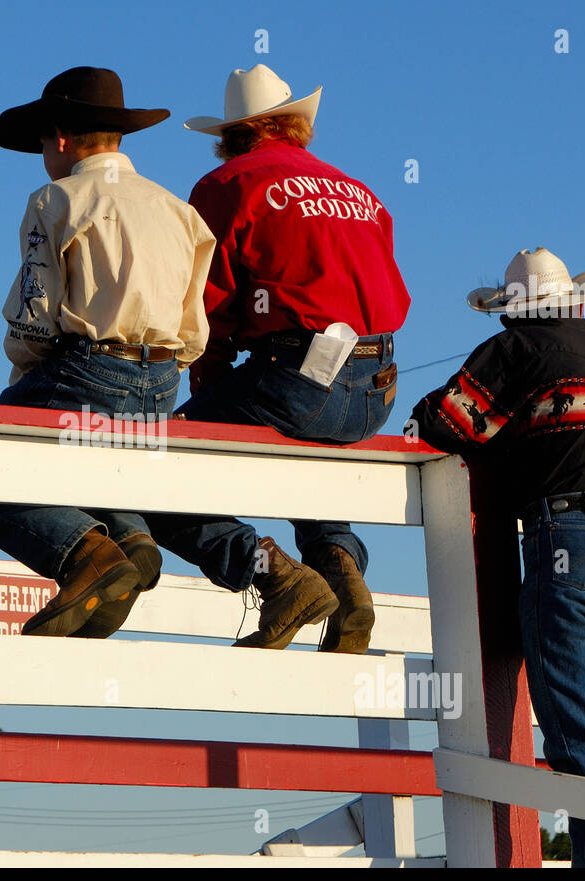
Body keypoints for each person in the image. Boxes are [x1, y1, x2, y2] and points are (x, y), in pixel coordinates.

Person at [410, 247, 585, 869]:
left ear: (513, 311)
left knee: (580, 738)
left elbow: (444, 423)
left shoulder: (518, 349)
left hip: (577, 546)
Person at [0, 67, 216, 639]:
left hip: (87, 364)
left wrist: (23, 365)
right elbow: (193, 327)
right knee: (97, 448)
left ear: (61, 138)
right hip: (162, 376)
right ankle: (131, 536)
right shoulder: (180, 211)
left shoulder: (55, 198)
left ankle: (87, 553)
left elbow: (36, 315)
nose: (42, 152)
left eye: (42, 140)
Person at [144, 65, 411, 652]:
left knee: (153, 467)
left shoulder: (225, 186)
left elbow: (205, 307)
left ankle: (278, 578)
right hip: (379, 383)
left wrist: (205, 398)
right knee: (306, 458)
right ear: (294, 125)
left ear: (230, 134)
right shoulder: (357, 189)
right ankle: (341, 571)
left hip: (295, 374)